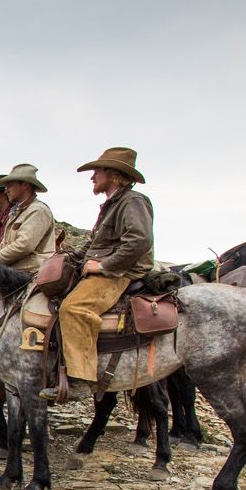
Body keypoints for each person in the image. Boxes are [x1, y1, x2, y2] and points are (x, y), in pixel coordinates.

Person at [44, 147, 154, 401]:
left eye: (97, 171)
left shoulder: (132, 201)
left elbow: (139, 240)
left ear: (113, 174)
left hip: (121, 272)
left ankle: (81, 380)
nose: (92, 177)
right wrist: (66, 259)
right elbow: (95, 244)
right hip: (108, 267)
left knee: (74, 308)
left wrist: (103, 266)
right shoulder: (112, 204)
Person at [0, 163, 55, 274]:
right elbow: (5, 244)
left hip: (32, 271)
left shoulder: (38, 210)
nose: (6, 190)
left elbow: (25, 245)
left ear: (25, 185)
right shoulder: (17, 213)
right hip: (15, 270)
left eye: (10, 185)